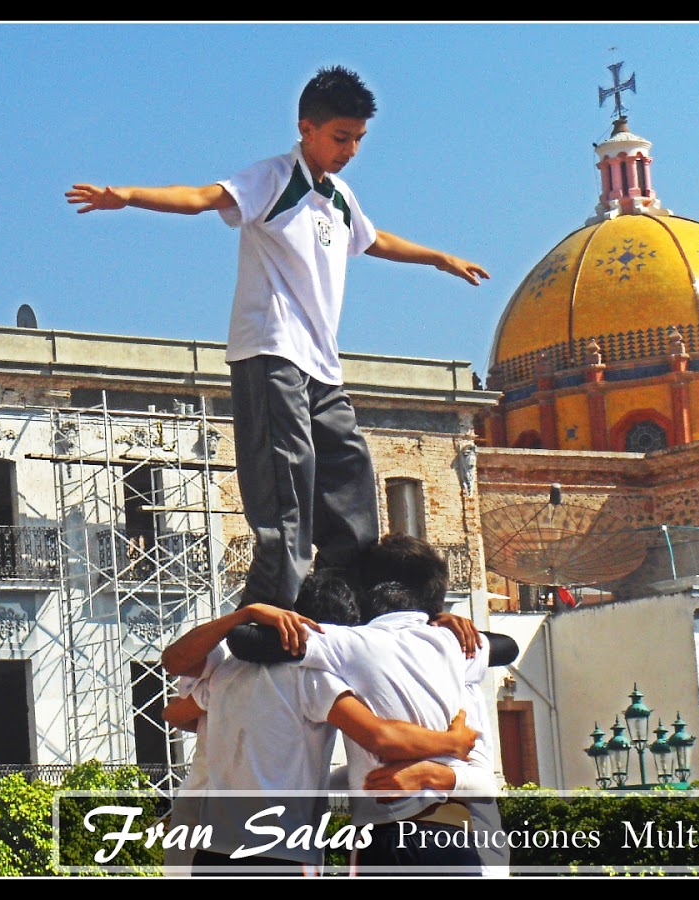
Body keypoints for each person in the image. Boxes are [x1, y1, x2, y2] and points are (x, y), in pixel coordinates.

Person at [69, 65, 489, 614]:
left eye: (358, 140)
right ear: (306, 128)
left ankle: (343, 607)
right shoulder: (272, 178)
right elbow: (201, 196)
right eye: (341, 138)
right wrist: (127, 195)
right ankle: (265, 625)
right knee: (286, 498)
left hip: (322, 367)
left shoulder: (338, 196)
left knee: (351, 481)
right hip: (271, 354)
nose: (350, 151)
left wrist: (438, 257)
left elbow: (375, 239)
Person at [162, 568, 481, 877]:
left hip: (214, 853)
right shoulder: (314, 680)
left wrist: (244, 616)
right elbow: (380, 737)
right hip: (281, 852)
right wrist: (452, 743)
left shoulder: (228, 670)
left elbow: (174, 684)